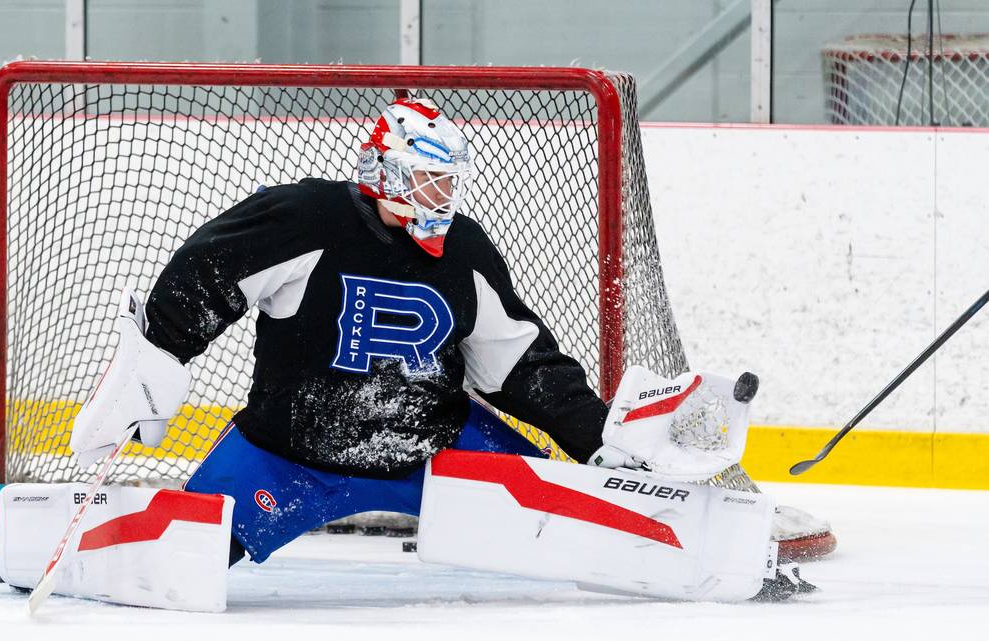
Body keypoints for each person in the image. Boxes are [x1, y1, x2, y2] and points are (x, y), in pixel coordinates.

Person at [69, 98, 812, 600]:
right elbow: (209, 268)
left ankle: (718, 541)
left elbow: (519, 360)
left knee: (579, 518)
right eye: (425, 178)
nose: (439, 196)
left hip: (437, 453)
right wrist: (158, 356)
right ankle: (71, 543)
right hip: (285, 457)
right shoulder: (306, 217)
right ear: (385, 168)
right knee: (175, 562)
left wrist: (595, 443)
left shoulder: (464, 251)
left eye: (447, 180)